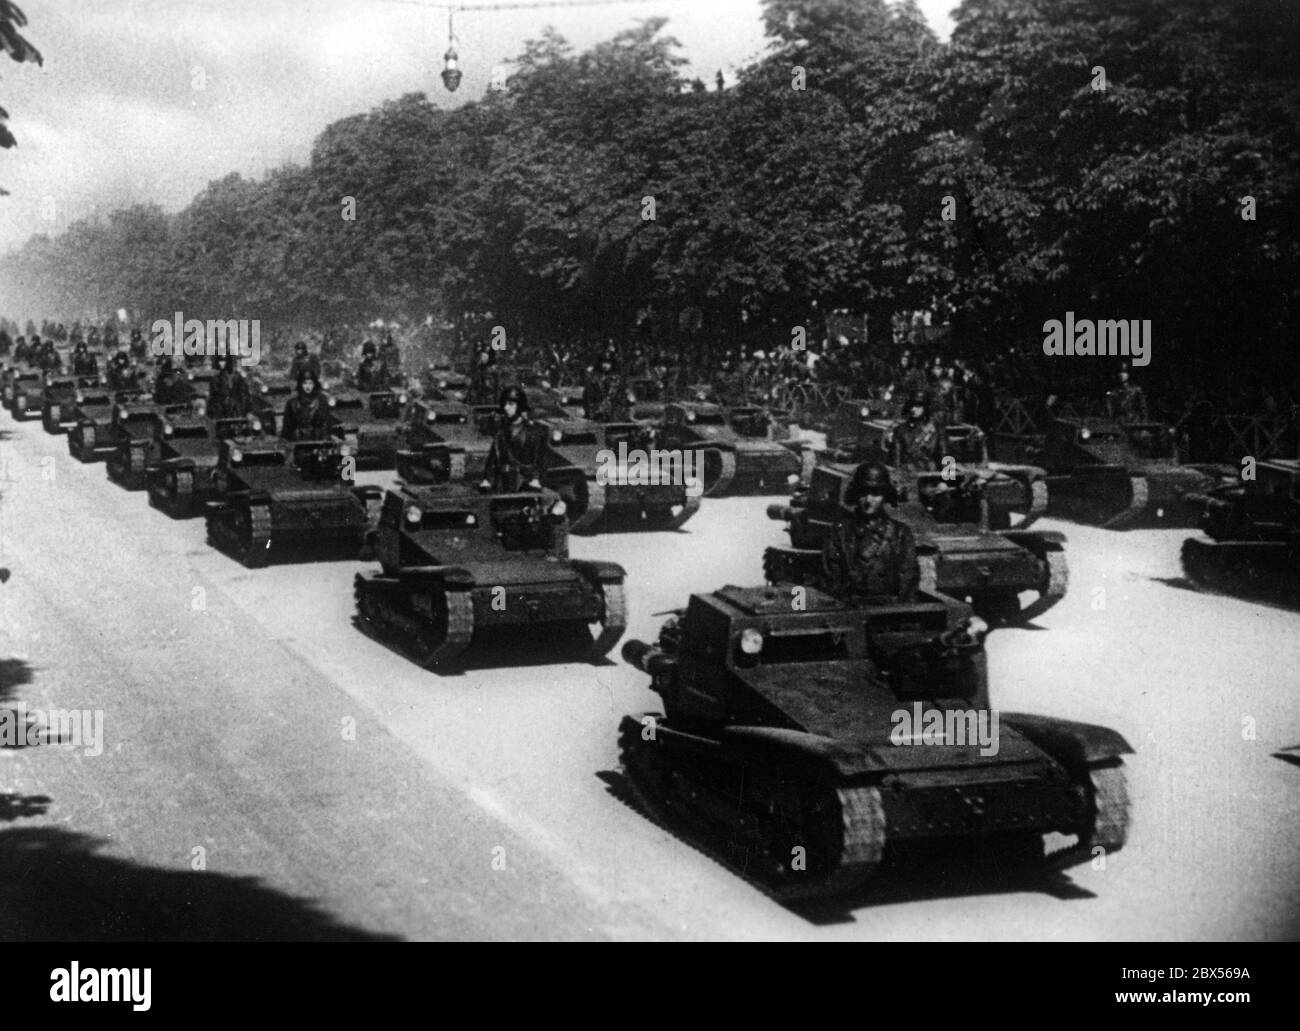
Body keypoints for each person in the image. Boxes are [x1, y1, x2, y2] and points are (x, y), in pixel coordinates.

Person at [820, 462, 919, 603]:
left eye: (875, 494)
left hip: (889, 612)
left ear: (885, 496)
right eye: (863, 493)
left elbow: (908, 581)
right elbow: (831, 580)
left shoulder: (900, 533)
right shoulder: (839, 532)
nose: (868, 500)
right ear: (855, 494)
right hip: (850, 611)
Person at [481, 386, 547, 492]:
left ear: (520, 407)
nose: (506, 408)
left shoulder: (533, 432)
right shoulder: (501, 432)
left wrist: (535, 479)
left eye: (511, 404)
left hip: (525, 484)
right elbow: (492, 458)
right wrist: (487, 480)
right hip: (501, 484)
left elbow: (539, 461)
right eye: (505, 404)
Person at [893, 391, 946, 472]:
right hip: (909, 474)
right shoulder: (900, 430)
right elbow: (897, 459)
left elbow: (946, 455)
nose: (913, 409)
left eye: (918, 406)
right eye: (911, 406)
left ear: (925, 408)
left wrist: (949, 479)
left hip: (932, 474)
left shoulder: (938, 430)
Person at [280, 371, 332, 441]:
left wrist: (324, 440)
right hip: (298, 440)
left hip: (317, 440)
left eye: (310, 383)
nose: (308, 386)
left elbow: (326, 424)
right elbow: (287, 426)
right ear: (300, 384)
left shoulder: (321, 401)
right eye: (305, 383)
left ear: (314, 384)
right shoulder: (292, 403)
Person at [209, 354, 252, 419]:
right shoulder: (216, 379)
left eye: (224, 361)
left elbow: (245, 395)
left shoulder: (238, 378)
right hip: (221, 413)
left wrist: (246, 410)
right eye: (220, 361)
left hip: (237, 412)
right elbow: (213, 397)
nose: (222, 363)